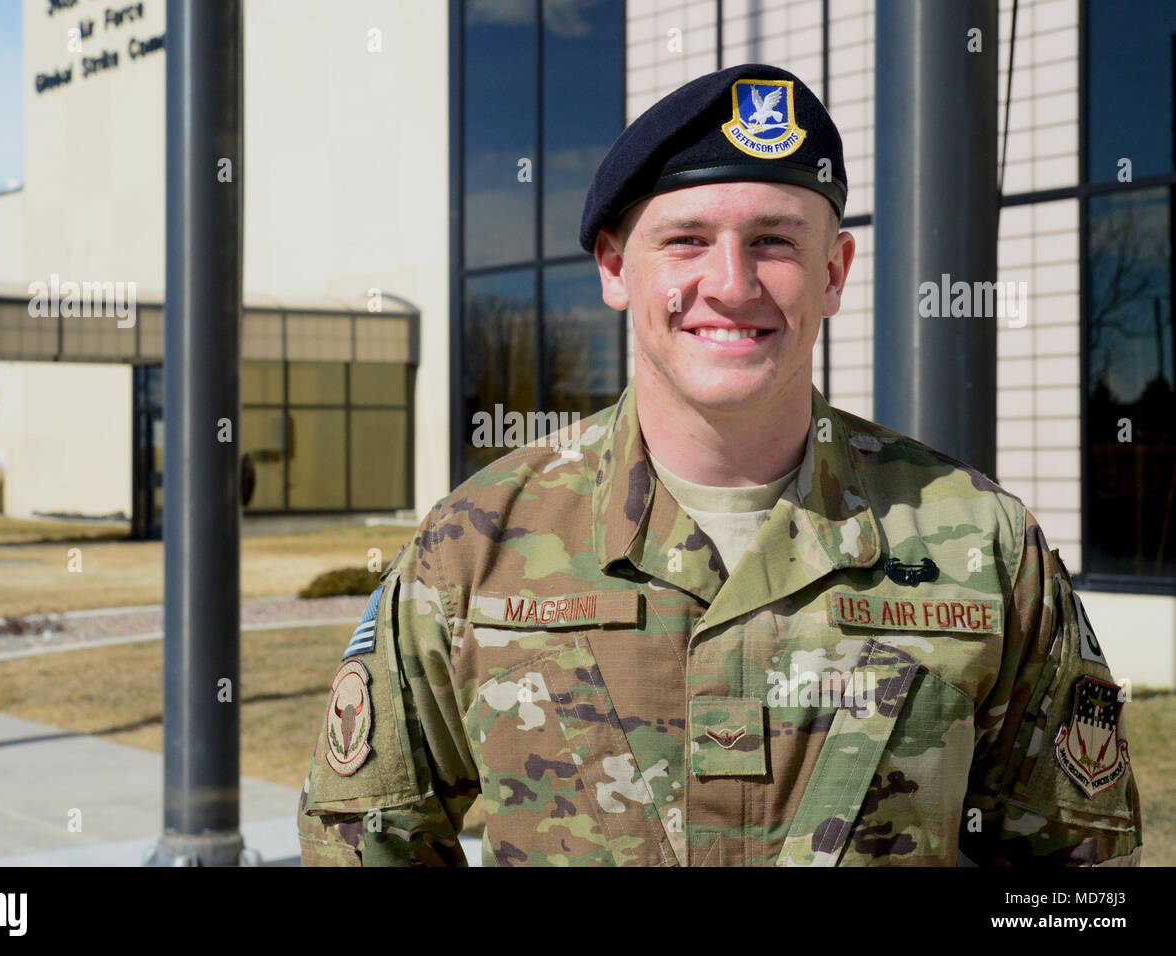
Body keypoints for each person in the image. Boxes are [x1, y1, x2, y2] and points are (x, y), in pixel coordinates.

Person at [296, 64, 1142, 866]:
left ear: (834, 272)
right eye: (686, 240)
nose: (731, 284)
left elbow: (1073, 875)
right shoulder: (475, 544)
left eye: (774, 241)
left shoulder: (981, 543)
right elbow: (364, 836)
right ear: (615, 268)